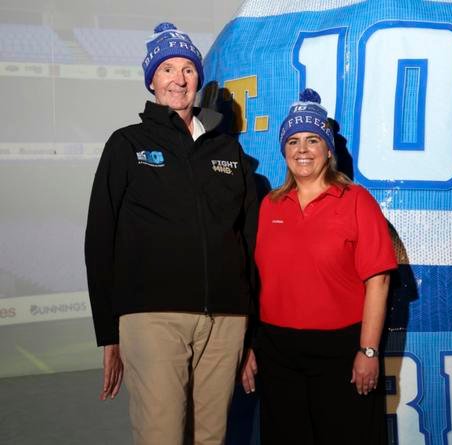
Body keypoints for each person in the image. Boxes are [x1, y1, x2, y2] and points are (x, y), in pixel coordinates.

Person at [84, 22, 258, 445]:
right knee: (162, 435)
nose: (178, 79)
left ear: (198, 78)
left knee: (211, 438)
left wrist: (250, 331)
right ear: (151, 79)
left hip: (226, 320)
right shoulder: (126, 144)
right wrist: (109, 332)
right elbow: (99, 239)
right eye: (167, 69)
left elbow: (249, 243)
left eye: (188, 69)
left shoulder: (228, 151)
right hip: (152, 317)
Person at [241, 89, 397, 444]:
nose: (303, 149)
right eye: (293, 141)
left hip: (341, 351)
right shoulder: (268, 206)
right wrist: (248, 344)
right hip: (277, 353)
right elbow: (250, 282)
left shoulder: (357, 200)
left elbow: (379, 281)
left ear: (328, 149)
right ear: (284, 151)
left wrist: (368, 351)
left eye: (313, 139)